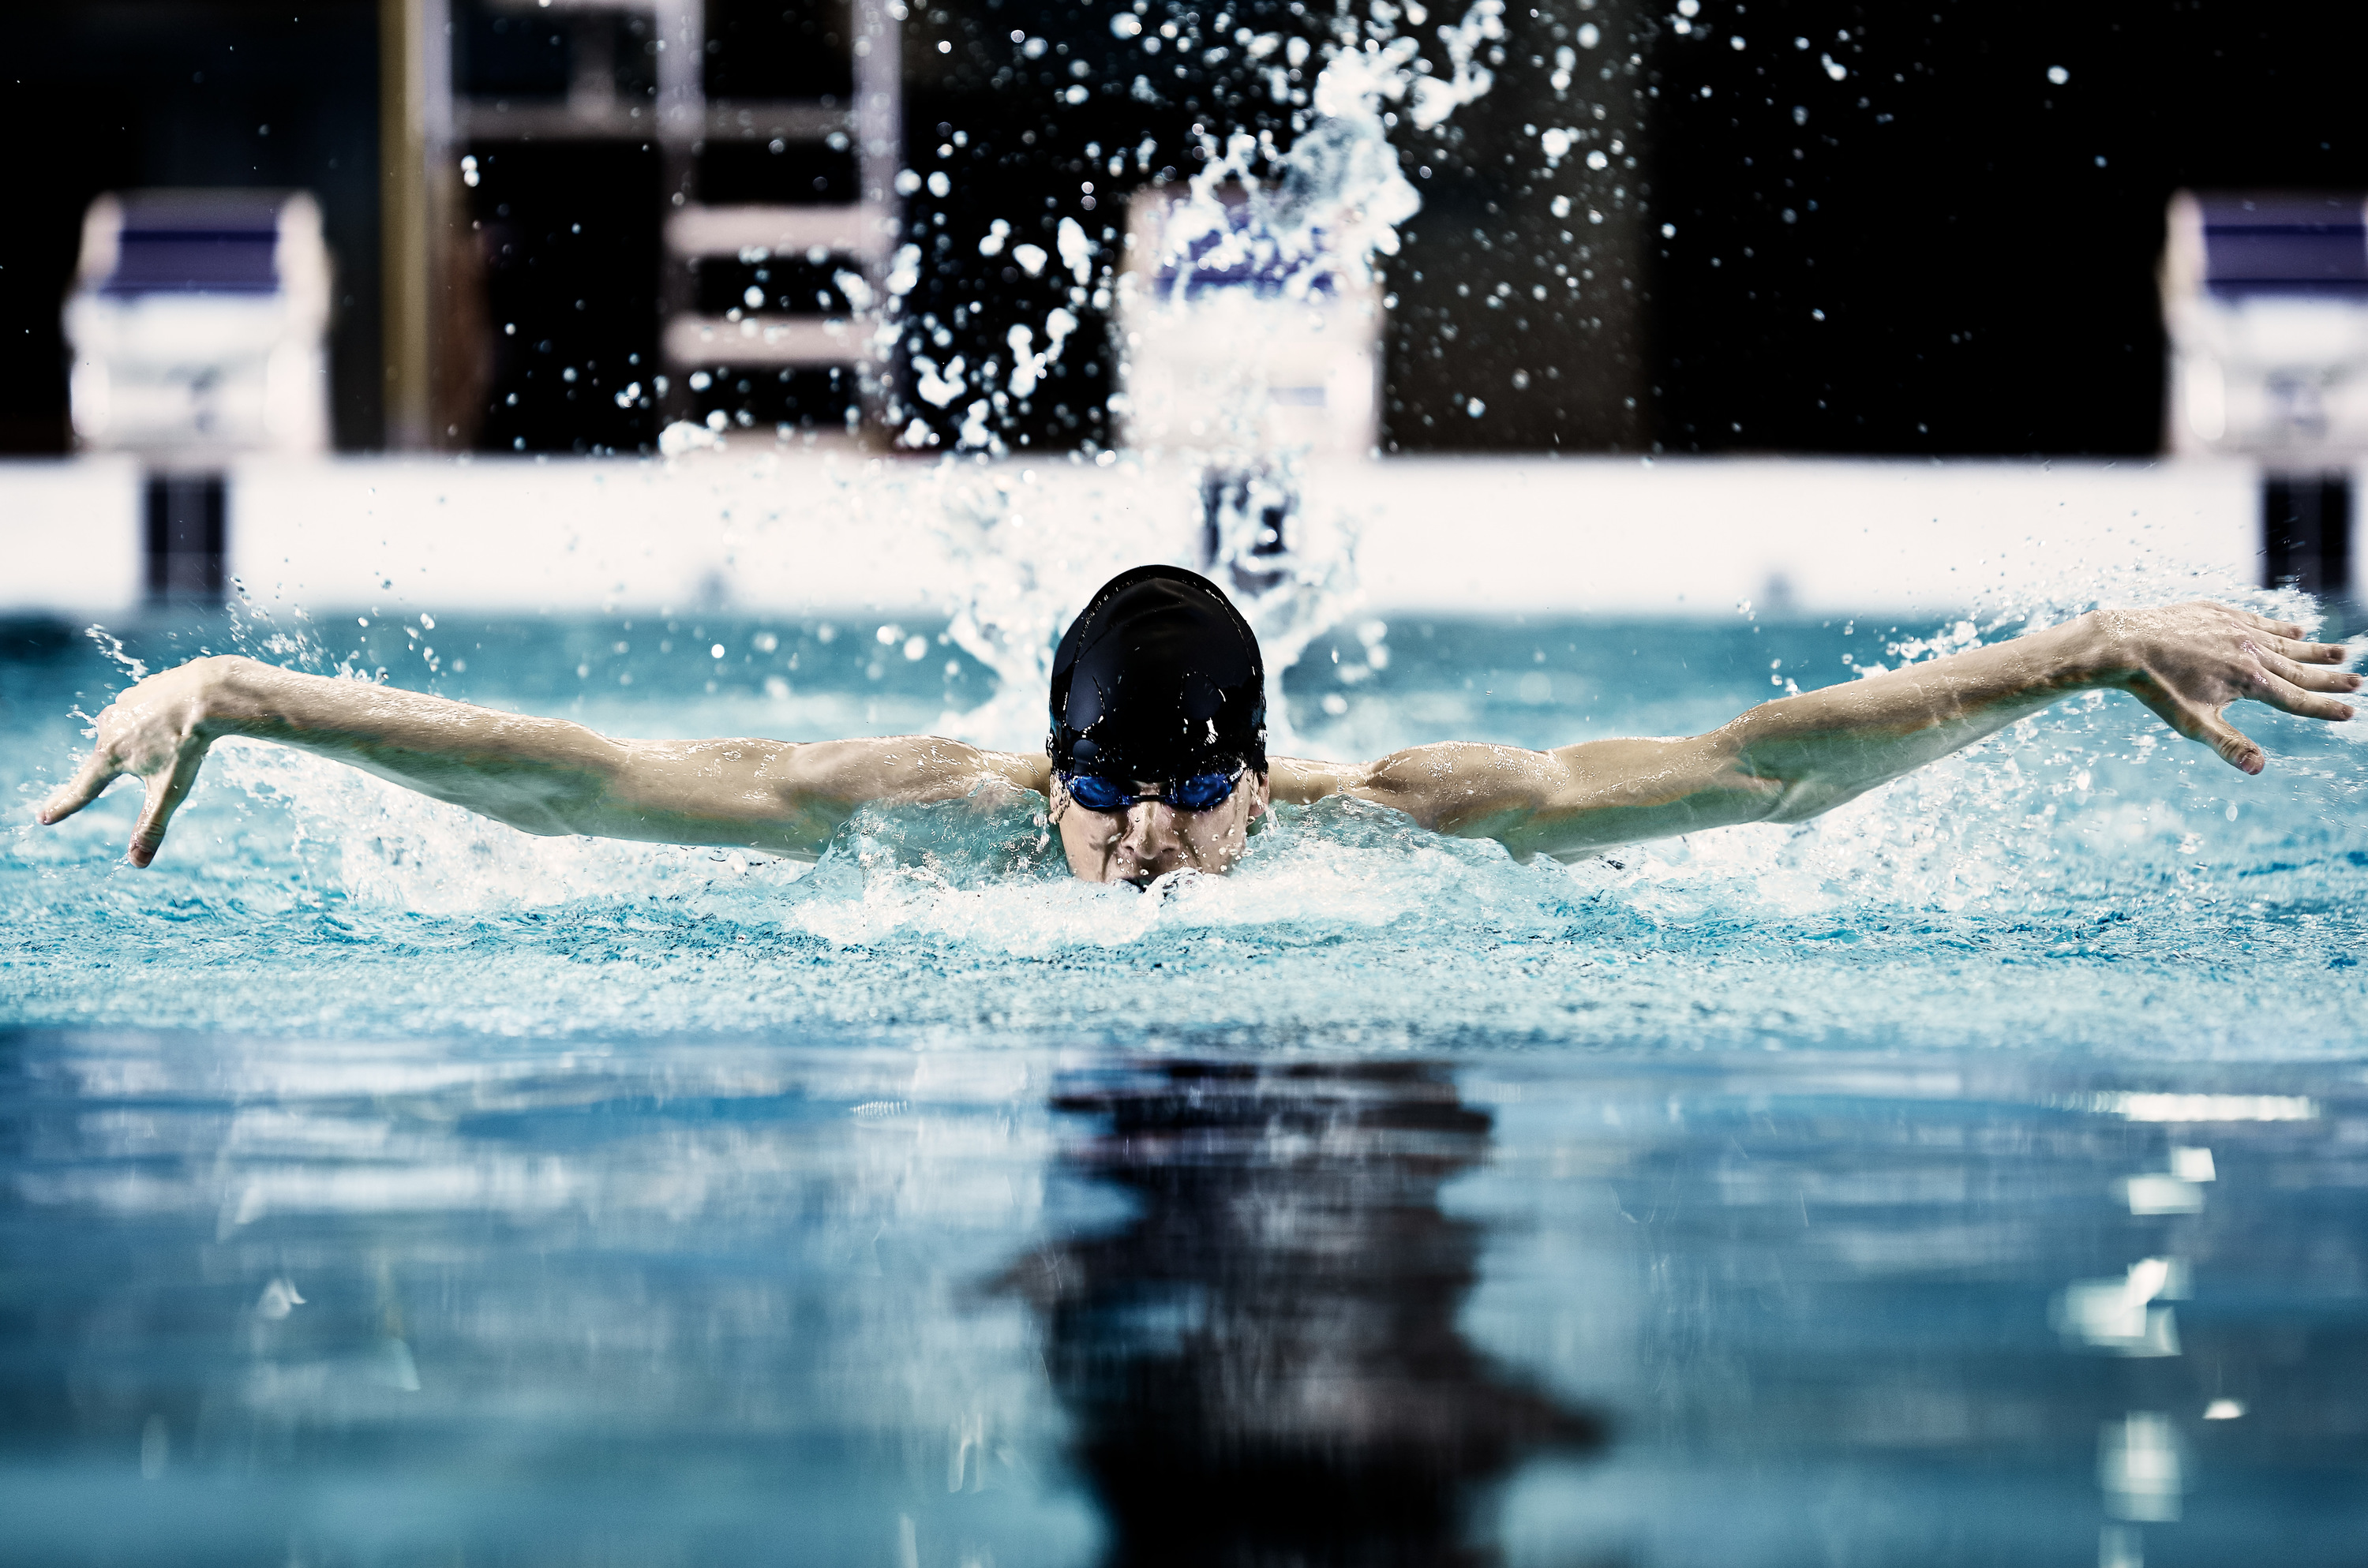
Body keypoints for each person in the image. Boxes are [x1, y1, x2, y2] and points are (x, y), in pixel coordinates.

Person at [34, 565, 2361, 885]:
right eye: (1106, 802)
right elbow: (564, 764)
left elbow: (1762, 761)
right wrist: (246, 687)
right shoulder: (925, 817)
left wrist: (2063, 650)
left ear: (1273, 762)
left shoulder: (1410, 810)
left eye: (1193, 798)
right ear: (1038, 770)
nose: (1150, 857)